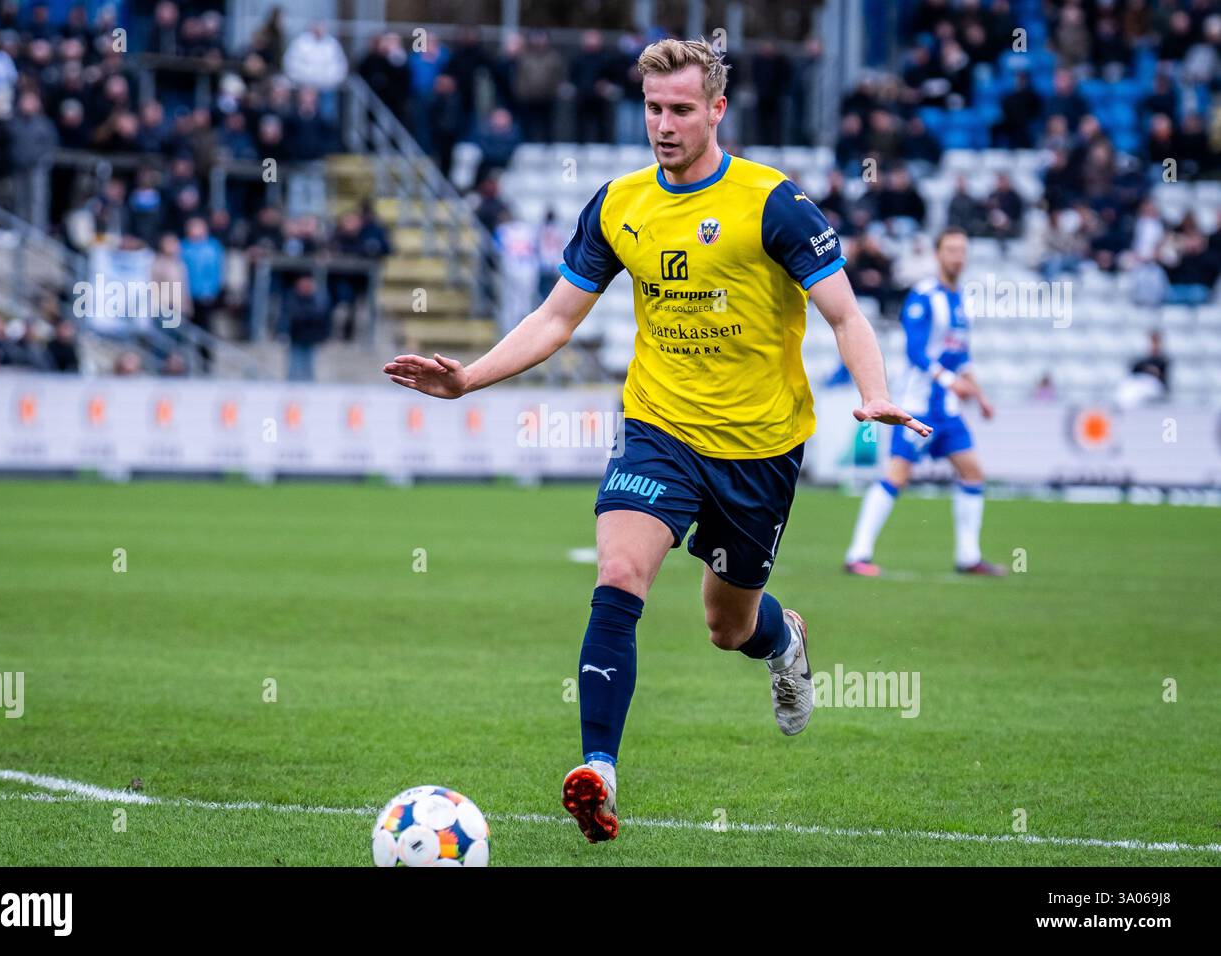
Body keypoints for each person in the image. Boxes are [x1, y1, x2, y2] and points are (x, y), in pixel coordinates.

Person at [383, 39, 930, 844]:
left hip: (759, 446)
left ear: (716, 110)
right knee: (620, 571)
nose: (664, 125)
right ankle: (598, 771)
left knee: (728, 627)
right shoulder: (618, 204)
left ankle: (786, 641)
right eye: (652, 109)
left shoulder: (775, 204)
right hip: (659, 429)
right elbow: (556, 318)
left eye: (680, 110)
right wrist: (469, 379)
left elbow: (845, 314)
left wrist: (876, 393)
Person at [843, 227, 1005, 578]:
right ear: (938, 254)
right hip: (915, 405)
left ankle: (968, 557)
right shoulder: (923, 295)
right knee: (897, 475)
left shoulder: (962, 301)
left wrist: (980, 395)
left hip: (947, 409)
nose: (957, 256)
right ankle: (857, 554)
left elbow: (962, 358)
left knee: (973, 471)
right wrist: (950, 382)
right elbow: (915, 352)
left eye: (962, 250)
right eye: (951, 249)